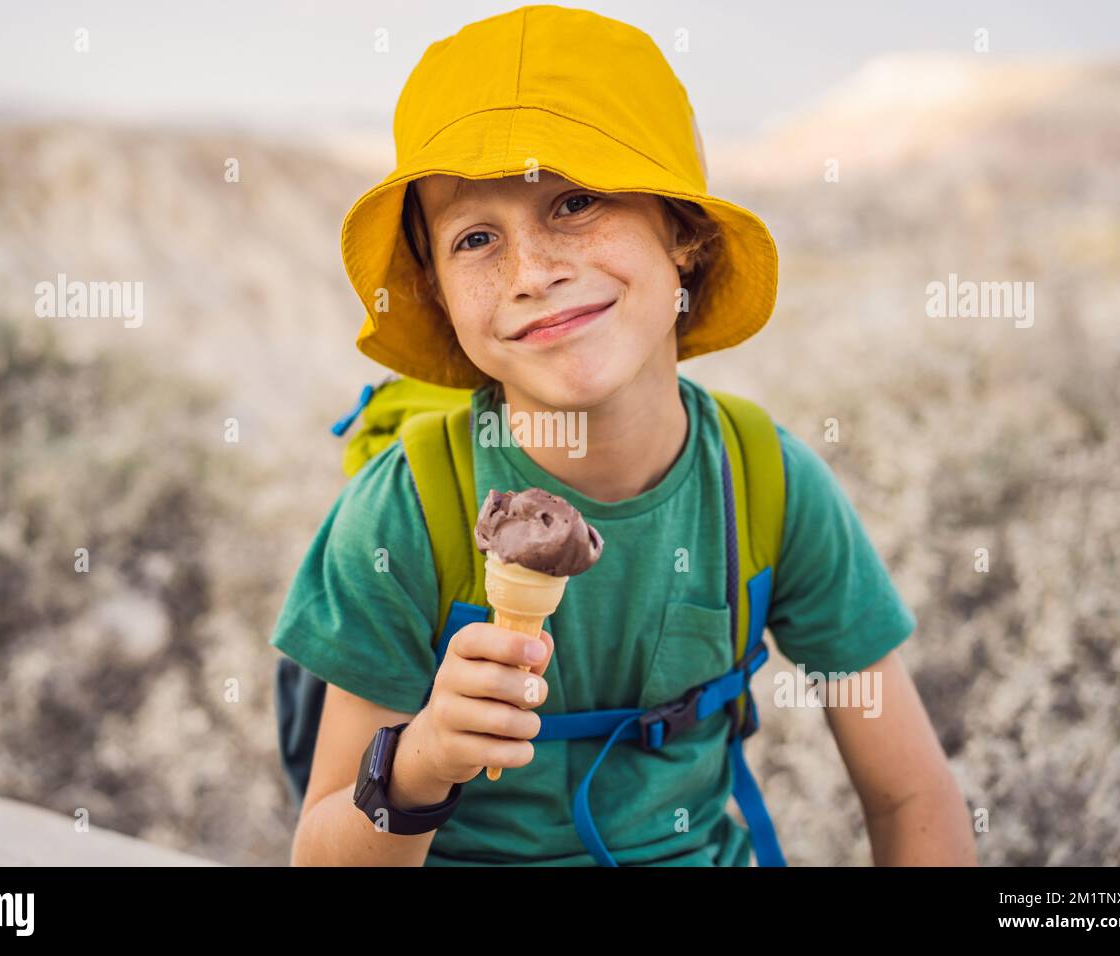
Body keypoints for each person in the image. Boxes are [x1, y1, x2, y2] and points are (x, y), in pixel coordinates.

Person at [271, 4, 976, 866]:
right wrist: (418, 766)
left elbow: (910, 798)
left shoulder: (767, 486)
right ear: (441, 298)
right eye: (477, 238)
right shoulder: (405, 512)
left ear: (682, 231)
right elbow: (321, 851)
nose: (533, 273)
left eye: (575, 201)